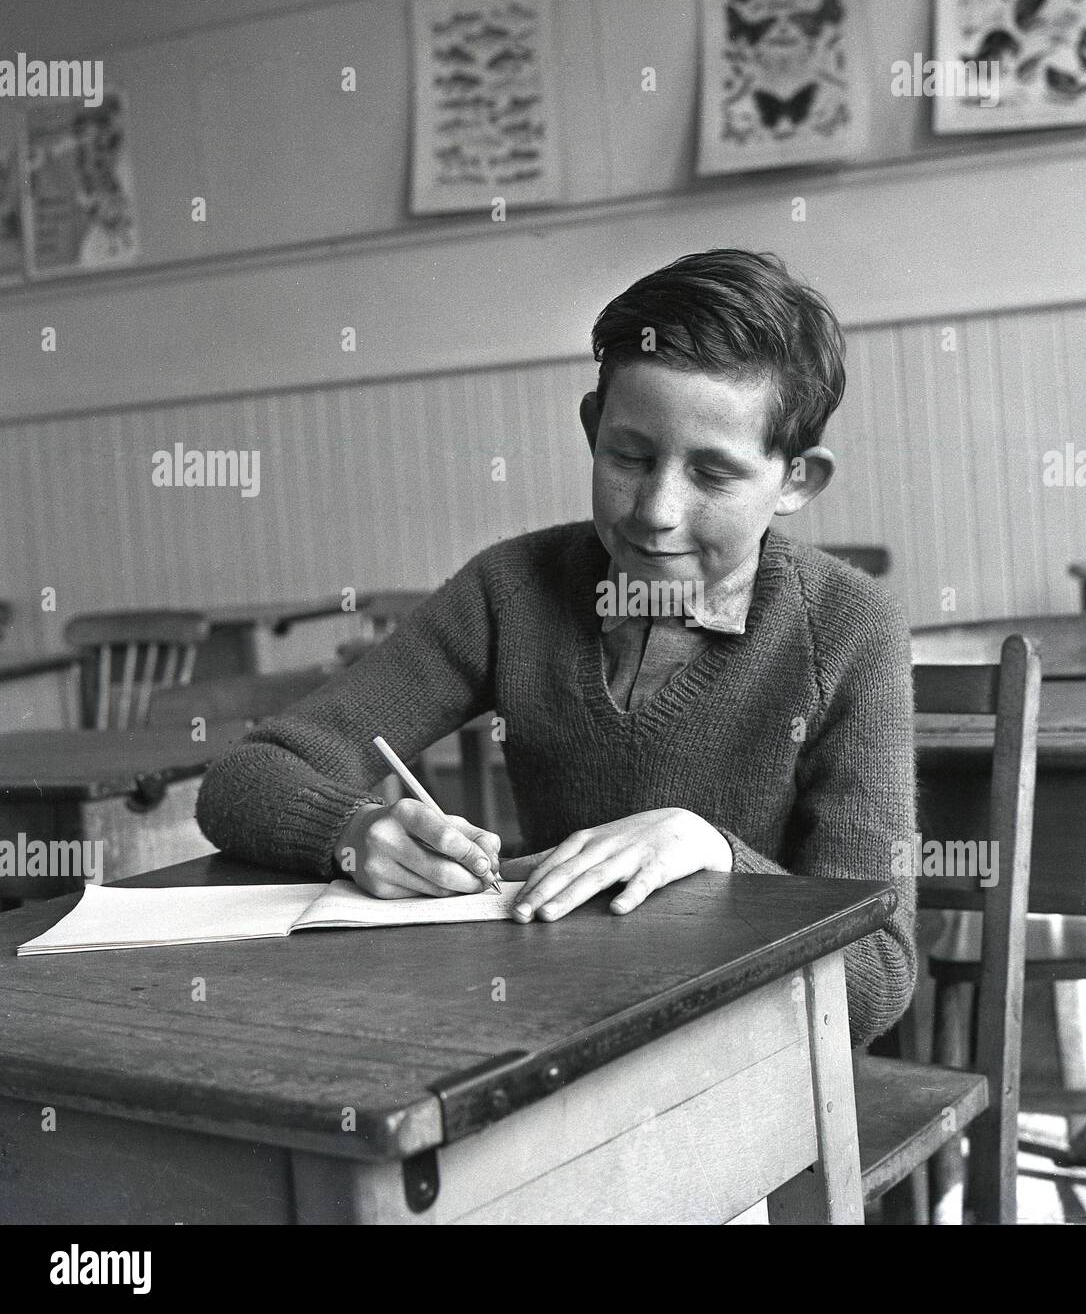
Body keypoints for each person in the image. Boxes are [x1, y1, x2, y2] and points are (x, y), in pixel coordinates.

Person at [197, 248, 916, 1045]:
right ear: (591, 428)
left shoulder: (851, 629)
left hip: (745, 1063)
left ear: (796, 482)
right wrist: (353, 832)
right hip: (546, 1030)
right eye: (629, 457)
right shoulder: (511, 589)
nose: (656, 511)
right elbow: (242, 782)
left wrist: (714, 856)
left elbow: (875, 980)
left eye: (713, 476)